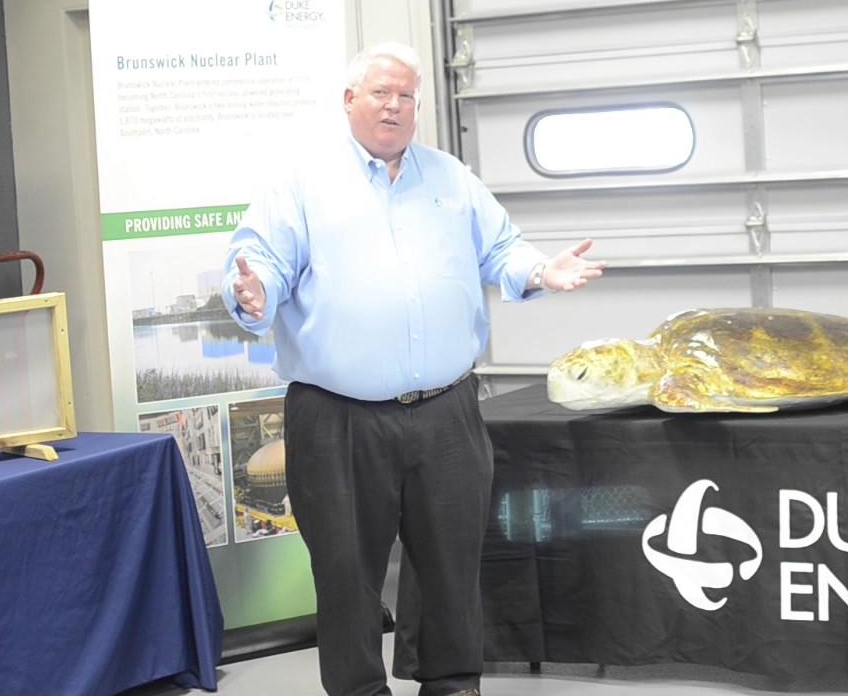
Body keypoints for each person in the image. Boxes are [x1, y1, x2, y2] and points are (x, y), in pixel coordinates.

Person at [221, 41, 604, 696]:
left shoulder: (450, 178)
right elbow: (262, 267)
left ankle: (453, 683)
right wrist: (251, 298)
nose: (394, 106)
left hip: (447, 413)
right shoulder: (301, 186)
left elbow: (503, 248)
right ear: (349, 101)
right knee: (347, 575)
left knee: (452, 567)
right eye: (380, 93)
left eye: (406, 96)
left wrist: (539, 269)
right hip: (337, 421)